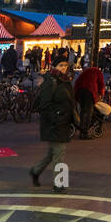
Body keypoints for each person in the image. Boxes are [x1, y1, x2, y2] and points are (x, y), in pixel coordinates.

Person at [31, 52, 76, 191]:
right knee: (59, 153)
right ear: (54, 66)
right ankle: (59, 183)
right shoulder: (51, 81)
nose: (64, 68)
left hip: (62, 122)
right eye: (61, 65)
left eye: (65, 65)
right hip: (54, 123)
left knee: (53, 153)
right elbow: (45, 105)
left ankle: (35, 170)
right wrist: (57, 117)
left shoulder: (64, 80)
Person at [73, 62, 104, 139]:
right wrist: (101, 94)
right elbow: (101, 84)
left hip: (80, 92)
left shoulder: (85, 72)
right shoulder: (98, 71)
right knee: (88, 113)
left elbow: (77, 83)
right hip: (89, 92)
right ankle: (84, 133)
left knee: (83, 112)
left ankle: (81, 130)